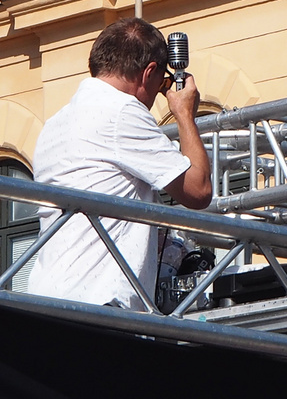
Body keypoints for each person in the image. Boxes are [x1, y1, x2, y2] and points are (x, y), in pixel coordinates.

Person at [29, 17, 212, 310]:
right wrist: (184, 112)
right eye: (162, 82)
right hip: (100, 307)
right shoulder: (122, 110)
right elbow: (198, 189)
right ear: (149, 71)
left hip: (47, 298)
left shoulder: (55, 123)